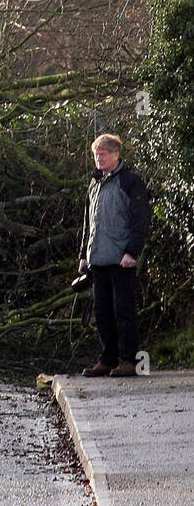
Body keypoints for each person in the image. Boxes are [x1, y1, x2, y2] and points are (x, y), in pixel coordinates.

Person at [78, 133, 151, 378]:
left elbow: (141, 220)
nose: (98, 158)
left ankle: (129, 360)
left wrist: (132, 251)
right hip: (98, 259)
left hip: (122, 259)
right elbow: (88, 222)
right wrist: (84, 255)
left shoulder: (130, 181)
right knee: (103, 313)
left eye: (103, 154)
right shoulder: (94, 183)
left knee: (124, 312)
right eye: (96, 154)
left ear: (116, 154)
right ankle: (108, 359)